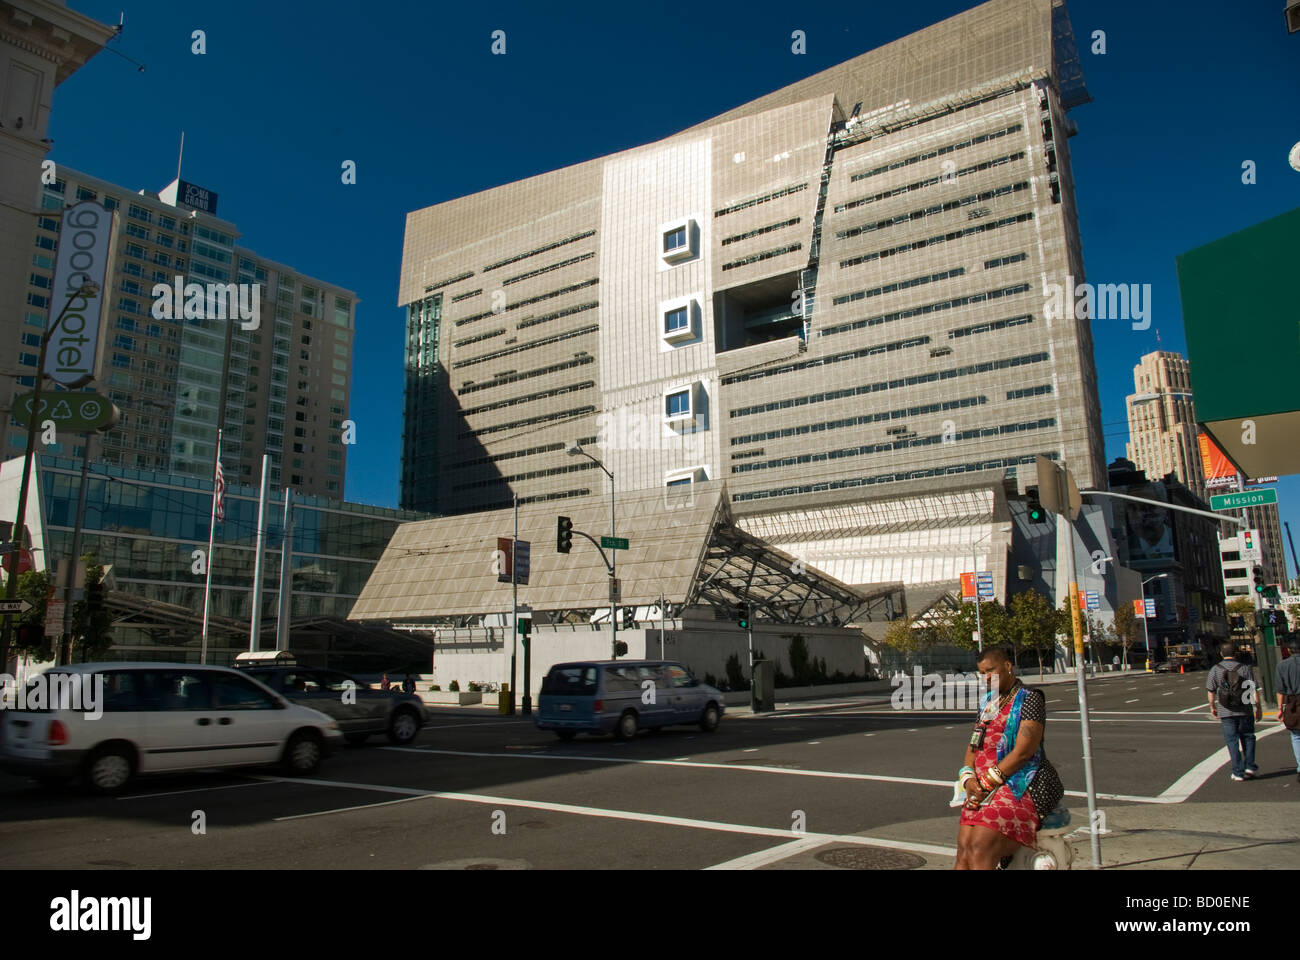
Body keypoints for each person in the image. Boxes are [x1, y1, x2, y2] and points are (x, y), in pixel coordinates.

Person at [953, 646, 1064, 869]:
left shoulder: (1030, 699)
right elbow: (973, 747)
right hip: (984, 788)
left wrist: (986, 782)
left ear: (1007, 666)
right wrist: (968, 779)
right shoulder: (987, 704)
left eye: (990, 671)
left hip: (1022, 785)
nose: (986, 678)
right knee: (964, 847)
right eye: (981, 673)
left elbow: (1024, 751)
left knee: (980, 846)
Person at [1206, 641, 1261, 780]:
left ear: (1221, 654)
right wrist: (1258, 707)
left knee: (1232, 741)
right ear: (1235, 653)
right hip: (1245, 709)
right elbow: (1253, 689)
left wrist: (1212, 707)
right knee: (1248, 737)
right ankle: (1250, 766)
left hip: (1226, 710)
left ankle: (1238, 771)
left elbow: (1211, 691)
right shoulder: (1244, 668)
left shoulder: (1215, 669)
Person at [1275, 637, 1300, 783]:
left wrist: (1280, 708)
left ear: (1289, 650)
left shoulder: (1282, 666)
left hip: (1293, 703)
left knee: (1296, 736)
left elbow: (1280, 690)